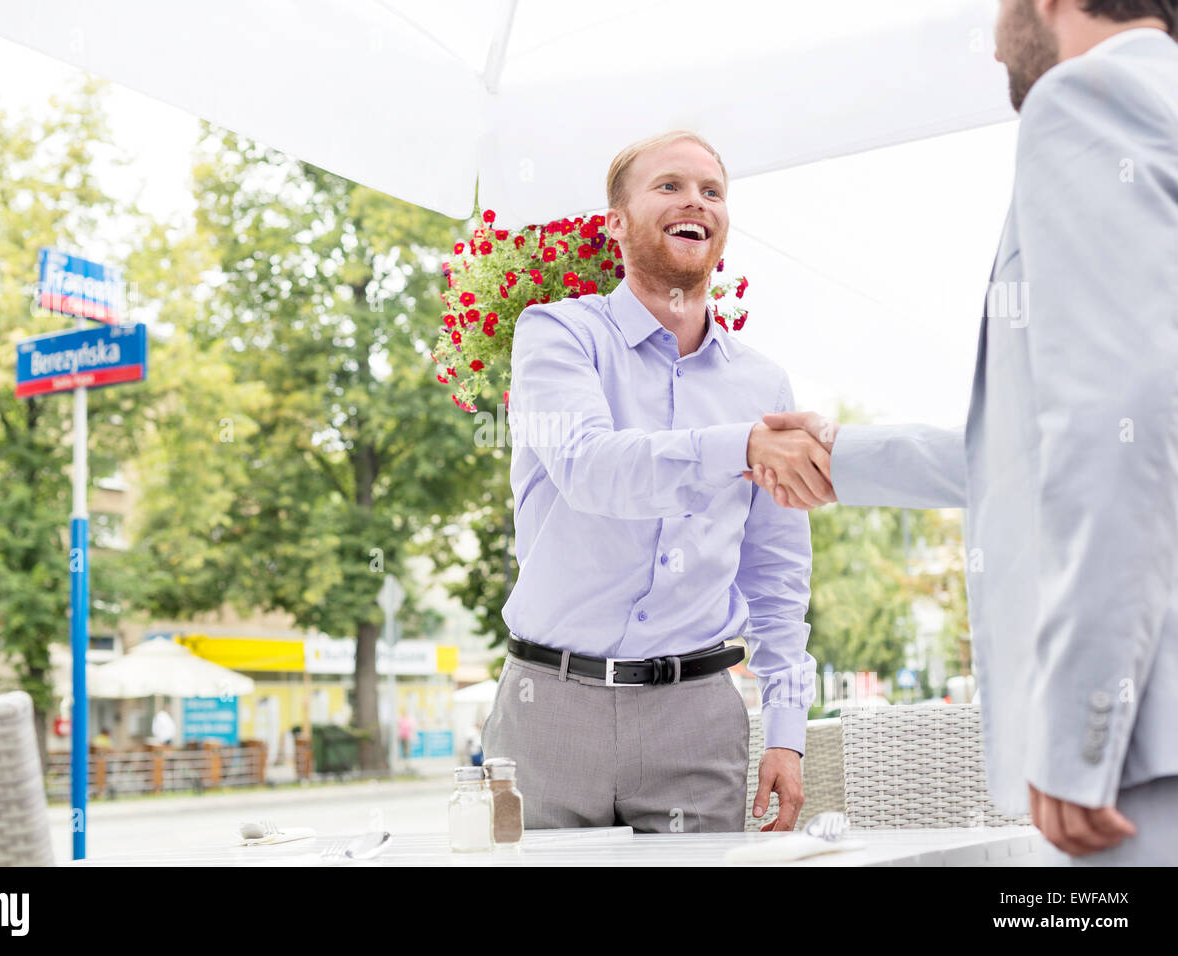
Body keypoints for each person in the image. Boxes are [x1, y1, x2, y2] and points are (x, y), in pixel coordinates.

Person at [753, 1, 1178, 864]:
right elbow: (1055, 439)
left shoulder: (1089, 96)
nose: (992, 40)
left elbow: (1115, 423)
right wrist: (851, 455)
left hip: (1142, 745)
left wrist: (1081, 727)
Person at [483, 130, 831, 832]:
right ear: (616, 221)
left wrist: (788, 729)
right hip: (548, 710)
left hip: (696, 720)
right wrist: (741, 445)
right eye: (669, 185)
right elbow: (590, 468)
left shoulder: (762, 385)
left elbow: (777, 573)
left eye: (712, 190)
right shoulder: (555, 337)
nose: (694, 200)